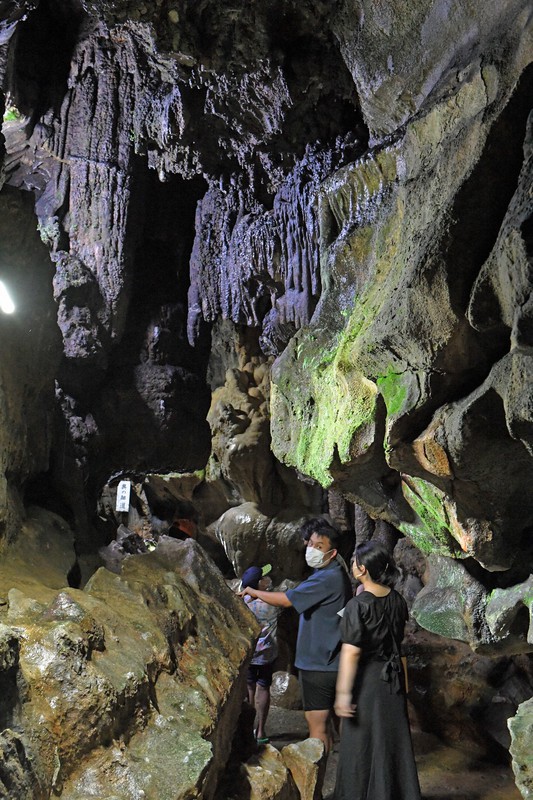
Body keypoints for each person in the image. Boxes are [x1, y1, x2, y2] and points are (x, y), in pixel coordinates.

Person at [242, 519, 352, 754]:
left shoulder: (327, 578)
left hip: (319, 664)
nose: (311, 549)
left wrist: (252, 592)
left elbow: (286, 600)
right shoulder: (332, 573)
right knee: (327, 727)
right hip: (326, 660)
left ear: (332, 553)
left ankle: (318, 787)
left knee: (317, 729)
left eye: (318, 546)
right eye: (310, 544)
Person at [334, 541, 421, 800]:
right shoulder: (397, 600)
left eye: (353, 562)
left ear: (362, 569)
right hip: (392, 683)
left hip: (367, 683)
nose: (352, 566)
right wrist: (404, 687)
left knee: (359, 744)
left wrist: (342, 694)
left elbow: (351, 652)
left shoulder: (357, 606)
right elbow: (400, 645)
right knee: (391, 743)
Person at [240, 563, 280, 745]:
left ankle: (246, 730)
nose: (267, 579)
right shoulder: (272, 602)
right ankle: (261, 731)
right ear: (259, 583)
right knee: (263, 688)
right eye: (264, 578)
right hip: (266, 656)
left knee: (249, 688)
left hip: (249, 654)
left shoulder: (242, 601)